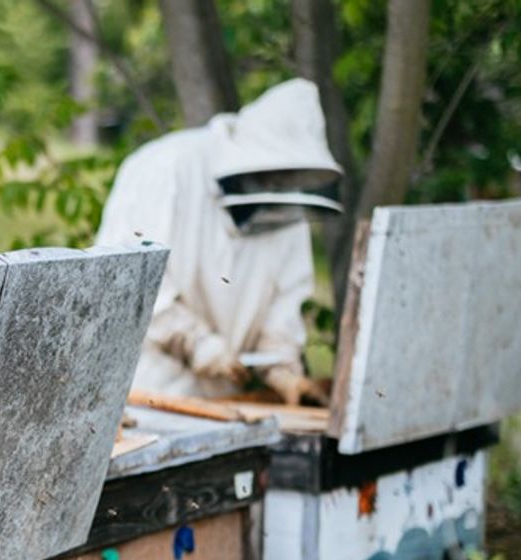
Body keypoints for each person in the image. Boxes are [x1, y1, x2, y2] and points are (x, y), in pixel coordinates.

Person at [96, 78, 343, 404]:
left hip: (227, 402)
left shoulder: (285, 199)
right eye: (268, 175)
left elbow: (287, 298)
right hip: (149, 393)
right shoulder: (166, 168)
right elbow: (129, 280)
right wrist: (199, 344)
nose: (274, 182)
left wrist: (280, 366)